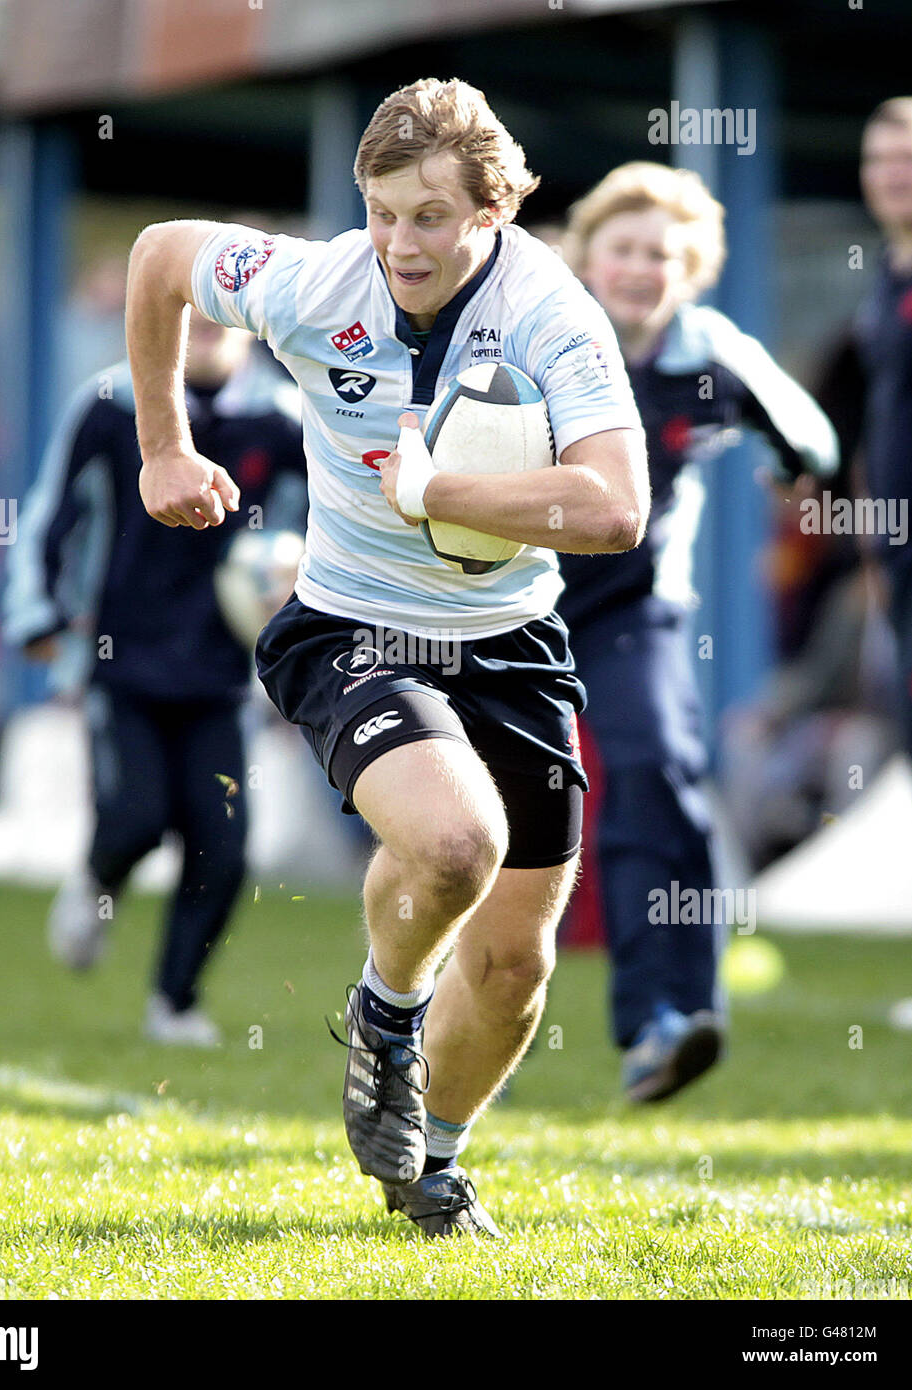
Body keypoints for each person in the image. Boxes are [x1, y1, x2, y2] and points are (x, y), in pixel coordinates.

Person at [125, 77, 649, 1236]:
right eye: (380, 210)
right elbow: (163, 253)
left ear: (491, 212)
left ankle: (430, 1166)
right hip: (350, 624)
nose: (398, 243)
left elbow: (615, 508)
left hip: (513, 640)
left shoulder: (553, 314)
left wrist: (437, 492)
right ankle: (386, 1011)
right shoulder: (318, 284)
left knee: (515, 967)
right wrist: (165, 447)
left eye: (428, 216)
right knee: (456, 842)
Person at [558, 163, 839, 1100]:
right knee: (480, 810)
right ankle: (426, 1022)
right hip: (505, 604)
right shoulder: (533, 330)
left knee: (658, 777)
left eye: (664, 256)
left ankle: (665, 1024)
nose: (642, 268)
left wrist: (789, 460)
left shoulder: (711, 353)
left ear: (691, 273)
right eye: (625, 248)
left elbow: (812, 439)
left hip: (634, 610)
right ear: (588, 254)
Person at [3, 313, 306, 1045]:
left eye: (219, 314)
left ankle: (175, 1002)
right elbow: (53, 511)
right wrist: (39, 614)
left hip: (223, 677)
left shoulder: (282, 420)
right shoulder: (110, 405)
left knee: (223, 846)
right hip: (121, 664)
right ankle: (97, 880)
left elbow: (333, 527)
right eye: (186, 312)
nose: (203, 326)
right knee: (137, 817)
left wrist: (295, 597)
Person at [846, 97, 912, 1029]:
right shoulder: (886, 278)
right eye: (880, 159)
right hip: (904, 562)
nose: (893, 172)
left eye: (909, 155)